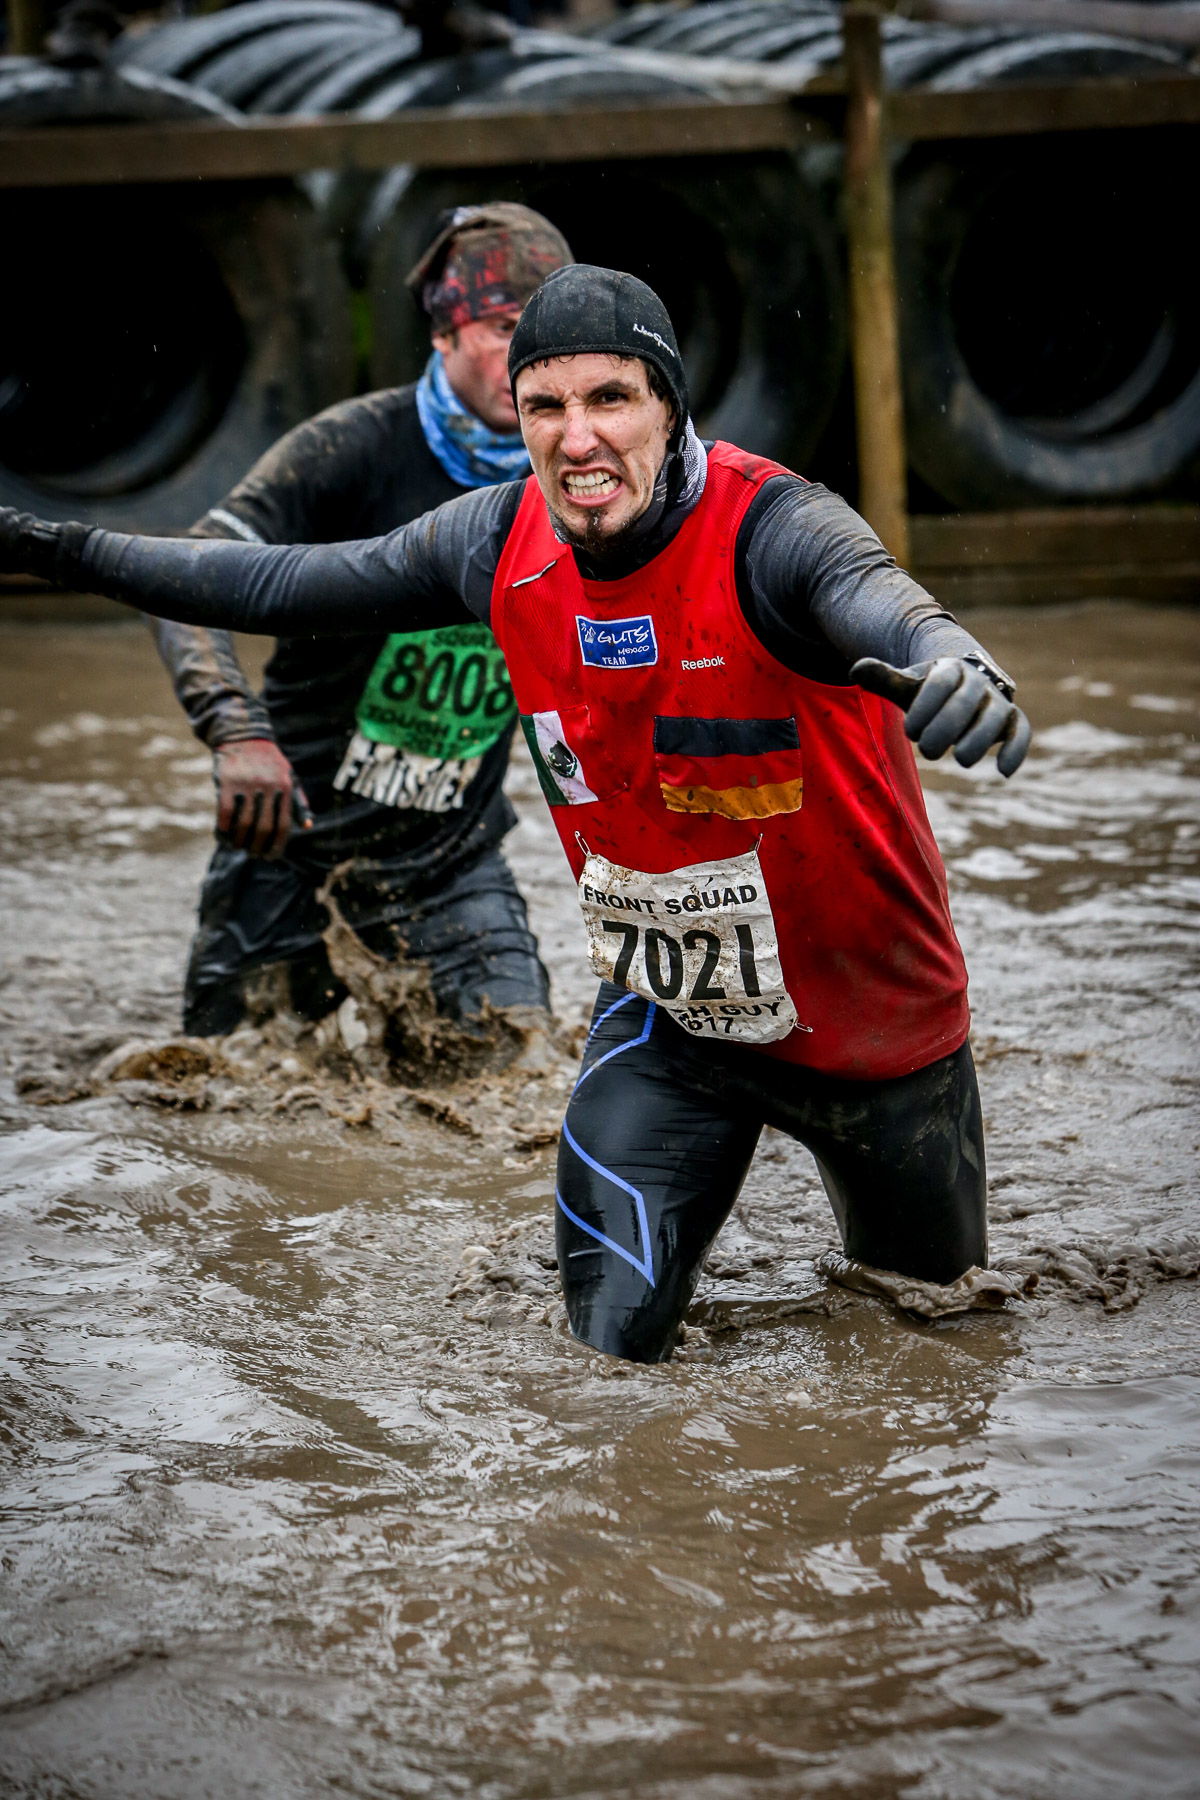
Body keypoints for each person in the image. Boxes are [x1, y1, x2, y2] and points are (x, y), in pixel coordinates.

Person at [1, 263, 1033, 1366]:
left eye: (611, 399)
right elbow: (272, 584)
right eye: (546, 406)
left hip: (884, 1046)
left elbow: (889, 603)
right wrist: (54, 549)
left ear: (670, 407)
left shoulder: (776, 530)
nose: (578, 440)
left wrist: (958, 667)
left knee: (937, 1343)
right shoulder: (494, 541)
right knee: (602, 1377)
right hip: (676, 1030)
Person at [154, 202, 571, 1038]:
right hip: (292, 844)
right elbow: (187, 574)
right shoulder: (349, 449)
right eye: (502, 329)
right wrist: (235, 728)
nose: (526, 359)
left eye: (546, 336)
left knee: (515, 1065)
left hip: (450, 861)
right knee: (224, 1082)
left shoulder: (586, 469)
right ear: (443, 334)